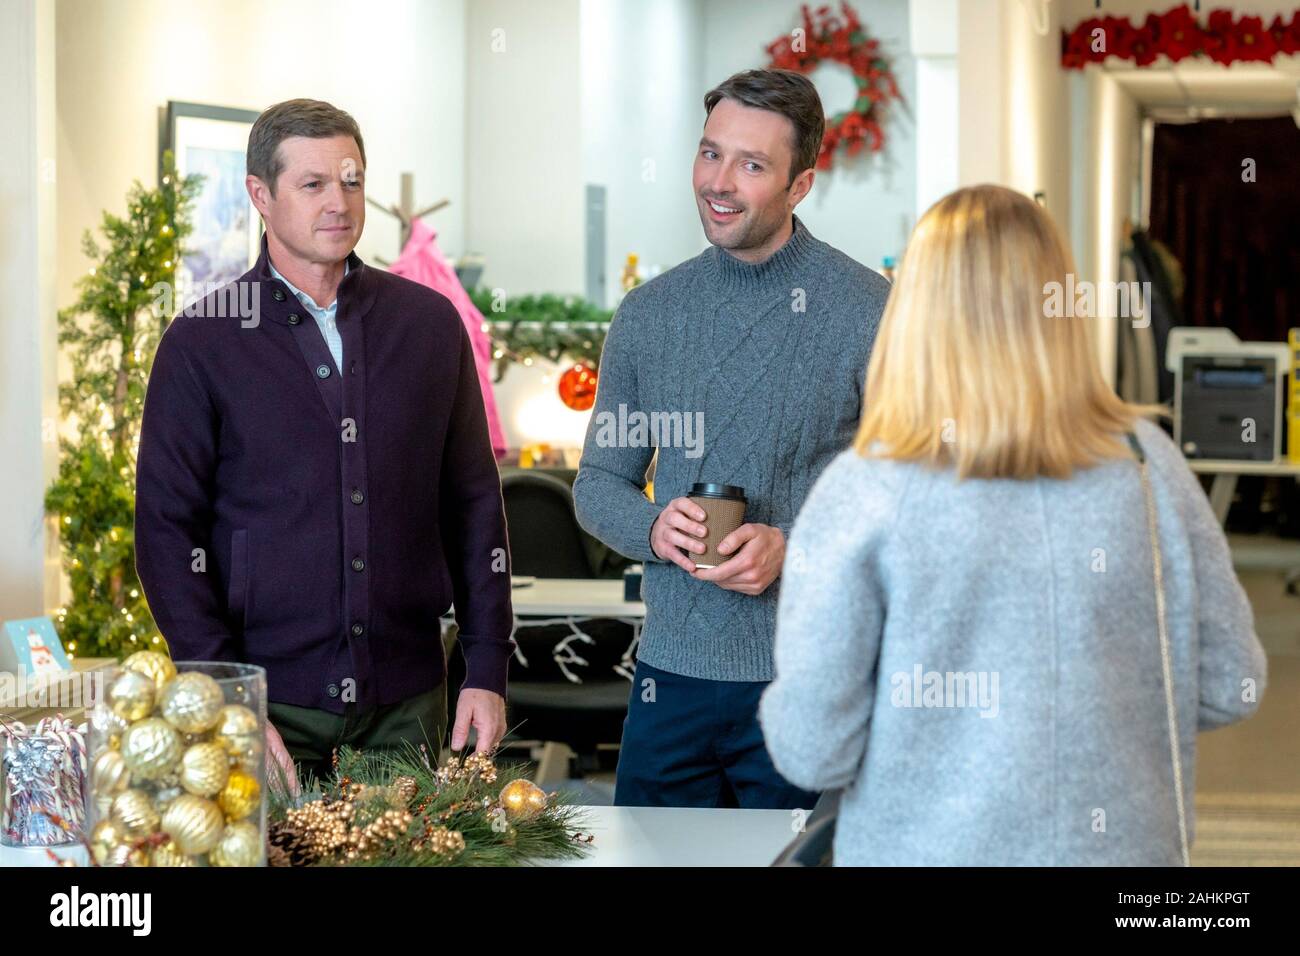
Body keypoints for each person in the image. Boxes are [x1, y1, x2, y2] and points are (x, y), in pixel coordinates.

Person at [760, 184, 1268, 865]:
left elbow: (813, 749)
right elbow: (1230, 681)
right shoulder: (1149, 464)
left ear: (915, 311)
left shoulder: (866, 489)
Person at [135, 99, 513, 789]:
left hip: (409, 703)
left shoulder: (429, 327)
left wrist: (486, 666)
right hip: (268, 704)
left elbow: (473, 506)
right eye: (312, 185)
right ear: (261, 195)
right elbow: (165, 533)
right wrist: (225, 695)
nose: (339, 203)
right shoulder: (202, 342)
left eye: (351, 180)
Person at [573, 70, 890, 809]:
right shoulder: (649, 315)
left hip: (809, 681)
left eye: (751, 165)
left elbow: (911, 505)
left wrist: (795, 547)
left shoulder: (871, 312)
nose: (719, 182)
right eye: (710, 153)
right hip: (667, 684)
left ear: (801, 183)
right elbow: (596, 485)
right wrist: (655, 528)